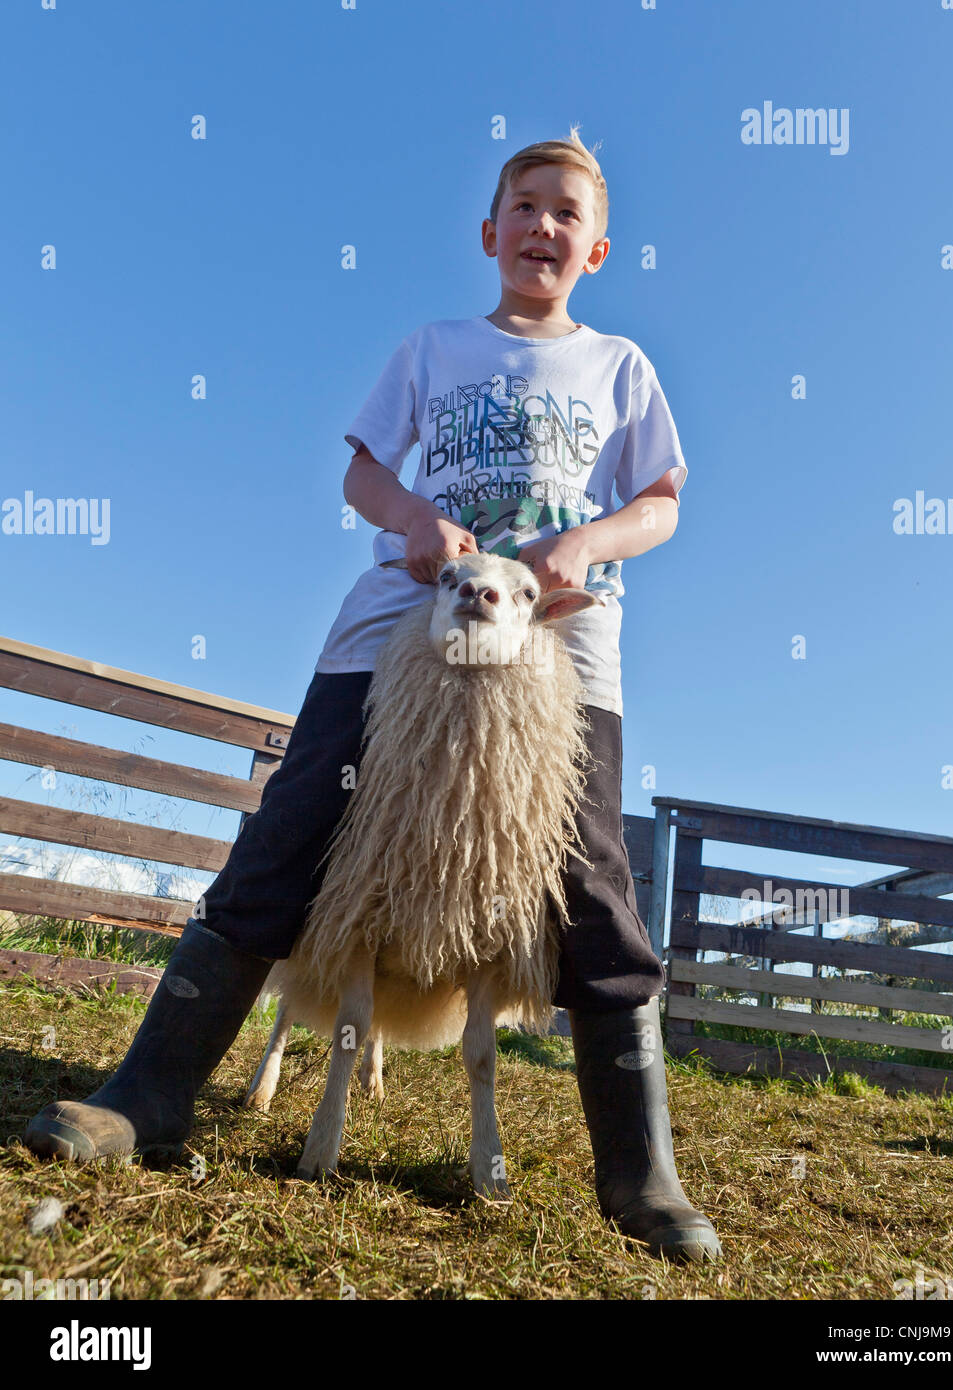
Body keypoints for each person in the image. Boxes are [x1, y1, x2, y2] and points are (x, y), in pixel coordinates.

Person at [24, 127, 720, 1264]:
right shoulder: (433, 348)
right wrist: (409, 523)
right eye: (524, 207)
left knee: (589, 877)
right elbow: (360, 468)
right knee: (293, 828)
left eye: (565, 214)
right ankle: (147, 1094)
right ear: (487, 232)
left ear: (594, 249)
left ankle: (638, 1176)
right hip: (397, 630)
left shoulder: (620, 366)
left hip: (557, 649)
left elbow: (663, 500)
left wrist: (586, 544)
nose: (543, 226)